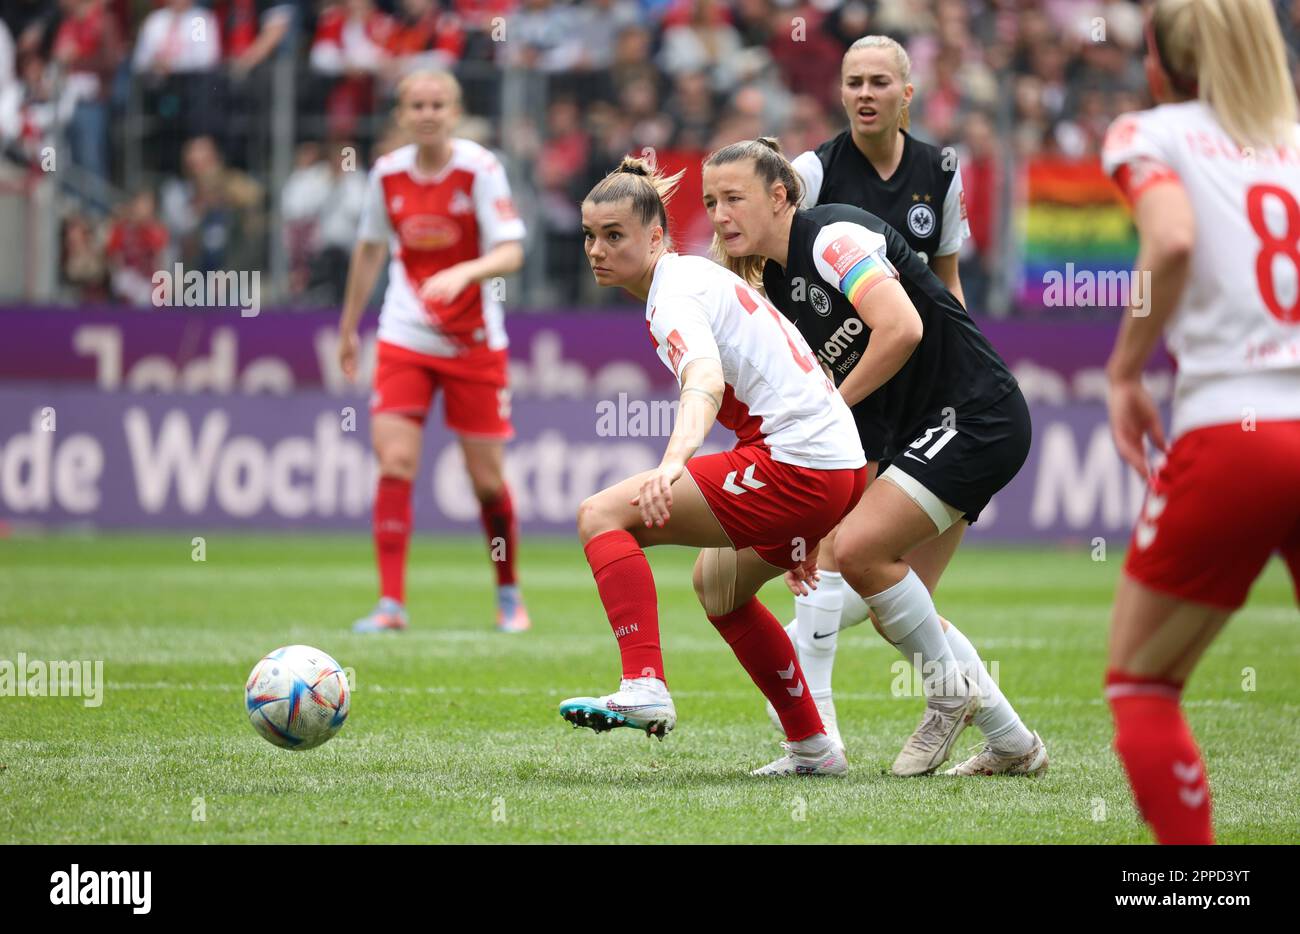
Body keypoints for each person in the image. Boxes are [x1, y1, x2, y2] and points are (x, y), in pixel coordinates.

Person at [704, 138, 1045, 776]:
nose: (720, 216)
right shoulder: (776, 287)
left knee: (855, 554)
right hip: (921, 434)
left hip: (975, 415)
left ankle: (830, 735)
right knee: (885, 592)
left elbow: (902, 329)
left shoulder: (833, 236)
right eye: (710, 202)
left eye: (734, 199)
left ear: (780, 197)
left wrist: (827, 404)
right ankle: (1013, 743)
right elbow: (847, 420)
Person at [560, 157, 868, 776]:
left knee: (600, 516)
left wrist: (672, 464)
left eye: (614, 236)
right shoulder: (693, 274)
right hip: (839, 465)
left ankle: (644, 683)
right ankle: (812, 747)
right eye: (590, 235)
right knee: (720, 588)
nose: (597, 249)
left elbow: (702, 380)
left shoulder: (673, 297)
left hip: (801, 464)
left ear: (654, 237)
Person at [1100, 0, 1300, 844]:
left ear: (1160, 61)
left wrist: (1124, 369)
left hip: (1235, 431)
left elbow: (1173, 240)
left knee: (1143, 682)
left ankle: (1193, 886)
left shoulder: (1149, 133)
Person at [774, 35, 981, 736]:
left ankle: (974, 714)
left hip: (930, 392)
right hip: (856, 395)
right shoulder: (813, 172)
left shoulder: (940, 172)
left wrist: (968, 359)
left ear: (906, 94)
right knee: (856, 565)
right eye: (853, 82)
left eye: (878, 83)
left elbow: (947, 281)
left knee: (901, 591)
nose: (864, 94)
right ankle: (820, 726)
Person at [338, 70, 530, 634]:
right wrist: (350, 326)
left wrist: (466, 271)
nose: (426, 113)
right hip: (404, 334)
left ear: (454, 110)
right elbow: (370, 249)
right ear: (401, 114)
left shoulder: (479, 168)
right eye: (416, 104)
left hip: (473, 342)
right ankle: (391, 604)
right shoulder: (386, 174)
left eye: (437, 104)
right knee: (395, 462)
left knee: (487, 482)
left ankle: (508, 593)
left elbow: (512, 251)